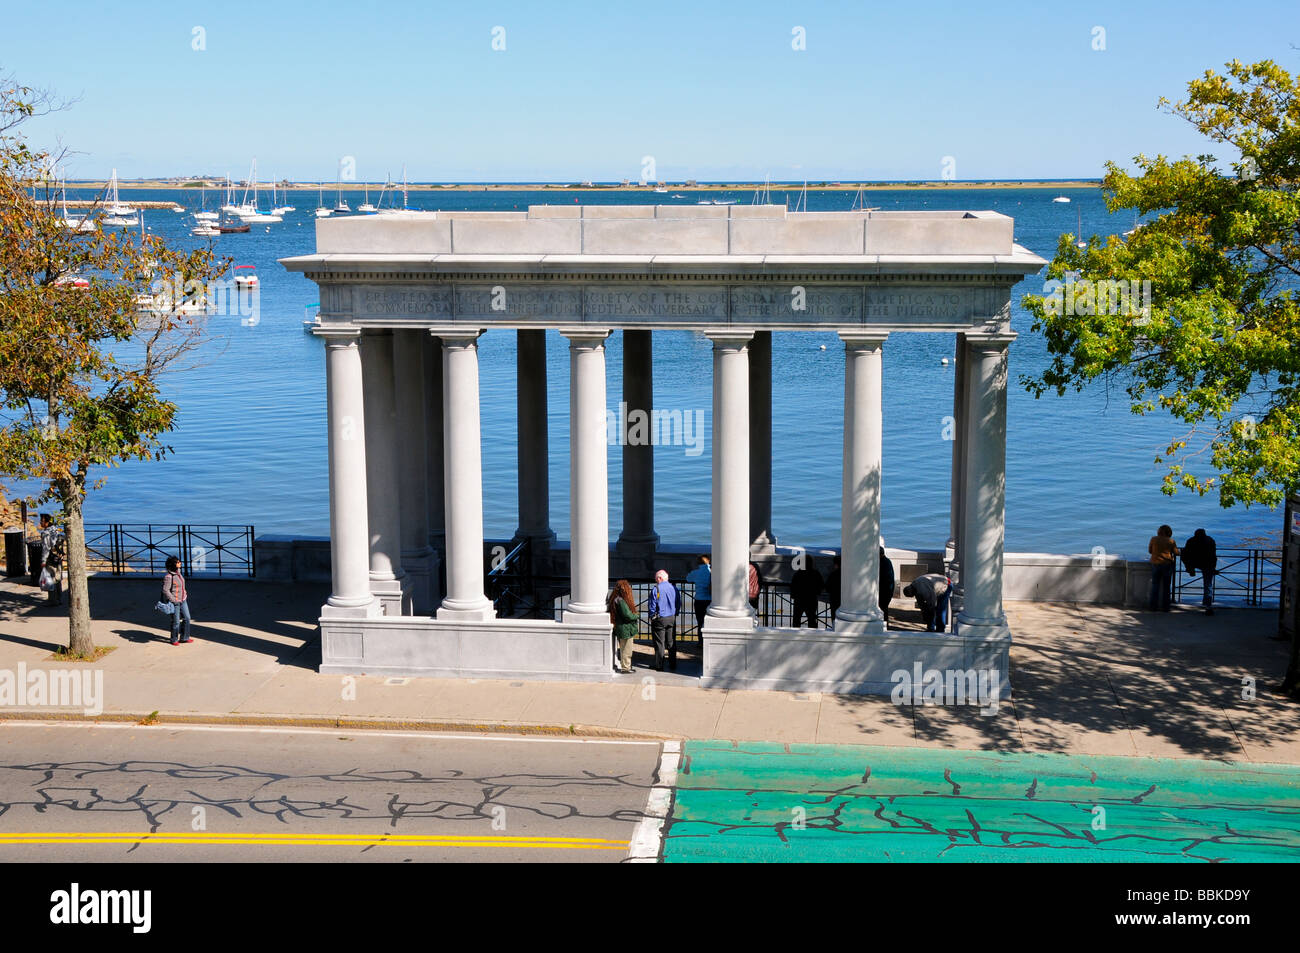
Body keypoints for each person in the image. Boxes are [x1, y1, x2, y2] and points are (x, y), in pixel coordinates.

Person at [1181, 528, 1218, 616]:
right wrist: (1213, 567)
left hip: (1195, 563)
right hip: (1208, 564)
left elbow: (1185, 554)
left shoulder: (1191, 540)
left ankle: (1191, 570)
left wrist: (1189, 566)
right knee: (1208, 585)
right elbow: (1213, 554)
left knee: (1208, 585)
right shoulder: (1210, 540)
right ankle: (1208, 606)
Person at [649, 569, 678, 671]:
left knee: (659, 643)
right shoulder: (674, 588)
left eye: (656, 578)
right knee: (671, 642)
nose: (655, 580)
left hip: (660, 619)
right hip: (672, 618)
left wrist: (652, 616)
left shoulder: (656, 589)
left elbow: (652, 605)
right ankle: (673, 664)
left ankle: (659, 665)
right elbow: (678, 603)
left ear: (659, 578)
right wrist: (675, 613)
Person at [608, 579, 638, 674]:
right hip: (625, 628)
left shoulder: (615, 599)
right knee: (627, 649)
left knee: (624, 648)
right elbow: (627, 615)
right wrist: (636, 615)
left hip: (621, 627)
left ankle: (626, 666)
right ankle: (626, 668)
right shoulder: (621, 601)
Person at [161, 555, 193, 645]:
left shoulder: (178, 572)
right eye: (178, 562)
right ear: (174, 564)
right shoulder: (168, 577)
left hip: (183, 600)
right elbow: (165, 590)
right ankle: (174, 639)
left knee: (187, 618)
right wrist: (173, 600)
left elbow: (181, 585)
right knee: (176, 622)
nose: (180, 563)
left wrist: (185, 593)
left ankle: (184, 637)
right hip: (175, 602)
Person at [1148, 524, 1178, 612]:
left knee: (1155, 585)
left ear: (1159, 531)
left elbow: (1150, 551)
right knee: (1166, 587)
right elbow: (1176, 553)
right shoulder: (1171, 541)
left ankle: (1153, 607)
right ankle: (1166, 607)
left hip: (1156, 563)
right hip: (1167, 564)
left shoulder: (1154, 539)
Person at [790, 557, 824, 629]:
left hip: (799, 600)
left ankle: (795, 635)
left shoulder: (798, 574)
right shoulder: (816, 573)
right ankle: (813, 636)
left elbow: (793, 587)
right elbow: (821, 585)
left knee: (796, 620)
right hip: (811, 599)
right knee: (812, 619)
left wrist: (794, 596)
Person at [686, 555, 711, 633]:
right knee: (709, 622)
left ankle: (700, 642)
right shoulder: (712, 571)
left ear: (698, 563)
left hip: (699, 600)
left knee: (700, 622)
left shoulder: (696, 572)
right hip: (711, 599)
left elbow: (688, 578)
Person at [879, 546, 895, 625]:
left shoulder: (884, 563)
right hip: (887, 590)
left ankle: (884, 624)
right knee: (884, 608)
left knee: (883, 608)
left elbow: (884, 579)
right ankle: (885, 623)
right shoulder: (887, 561)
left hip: (885, 591)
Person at [826, 555, 841, 624]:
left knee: (834, 618)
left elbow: (827, 588)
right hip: (845, 600)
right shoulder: (847, 574)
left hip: (834, 599)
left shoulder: (833, 574)